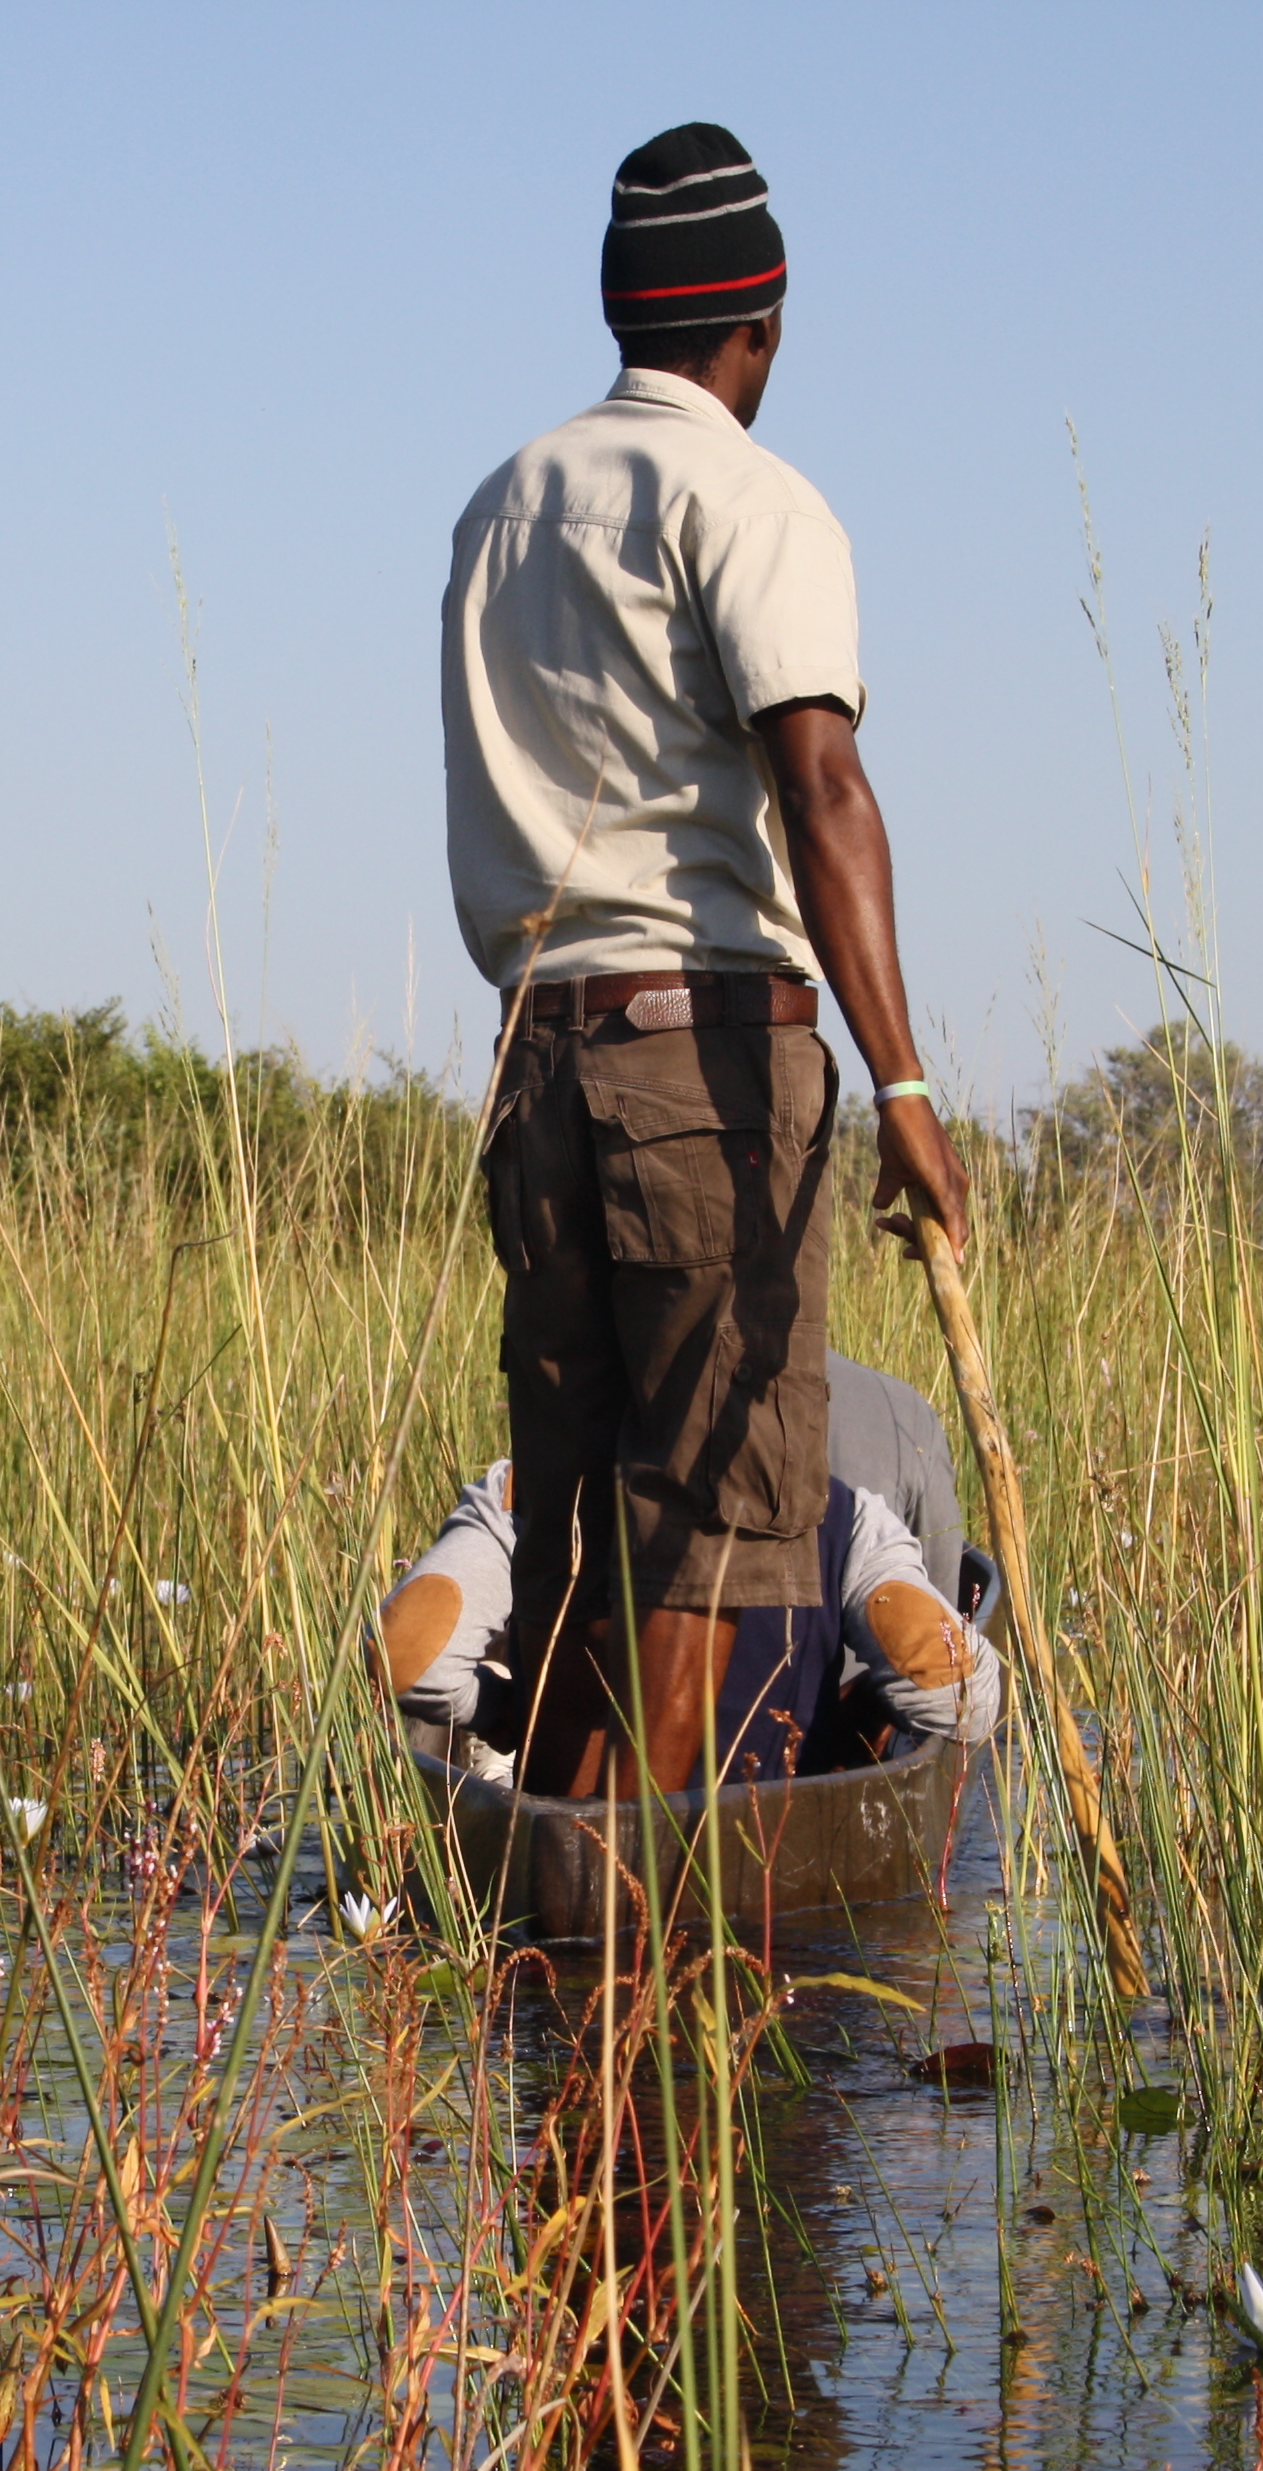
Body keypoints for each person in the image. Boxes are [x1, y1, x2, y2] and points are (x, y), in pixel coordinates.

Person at [445, 121, 972, 1805]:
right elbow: (821, 784)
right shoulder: (751, 499)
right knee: (711, 1528)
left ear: (620, 308)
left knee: (581, 1512)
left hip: (536, 1064)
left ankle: (548, 1931)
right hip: (704, 1059)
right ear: (760, 326)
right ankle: (654, 1962)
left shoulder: (500, 507)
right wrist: (900, 1085)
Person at [373, 1354, 1003, 1787]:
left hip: (570, 1854)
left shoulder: (527, 1488)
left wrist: (505, 1710)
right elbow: (968, 1700)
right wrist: (861, 1706)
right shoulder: (848, 1520)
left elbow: (409, 1657)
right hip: (766, 1876)